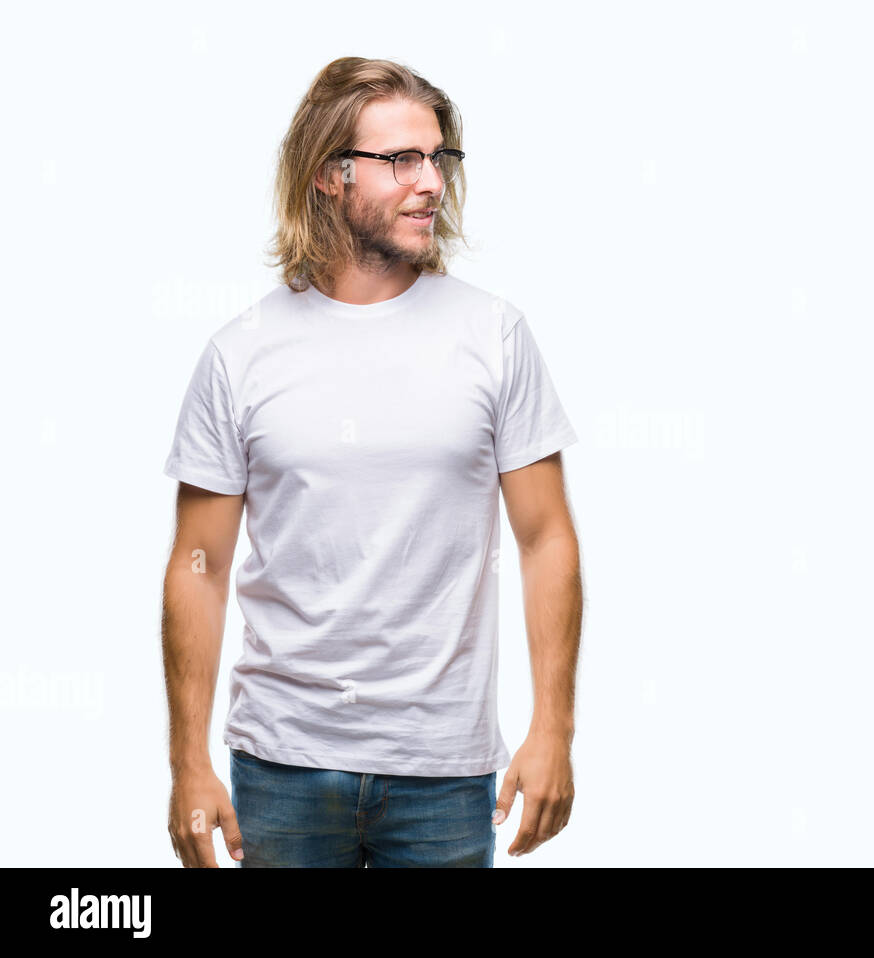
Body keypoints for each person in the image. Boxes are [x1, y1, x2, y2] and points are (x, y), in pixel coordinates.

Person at [160, 57, 582, 868]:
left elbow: (545, 539)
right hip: (281, 764)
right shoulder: (240, 353)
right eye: (401, 160)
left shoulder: (494, 336)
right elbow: (197, 566)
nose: (431, 182)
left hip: (445, 774)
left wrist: (552, 729)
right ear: (328, 175)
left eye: (440, 158)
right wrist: (188, 764)